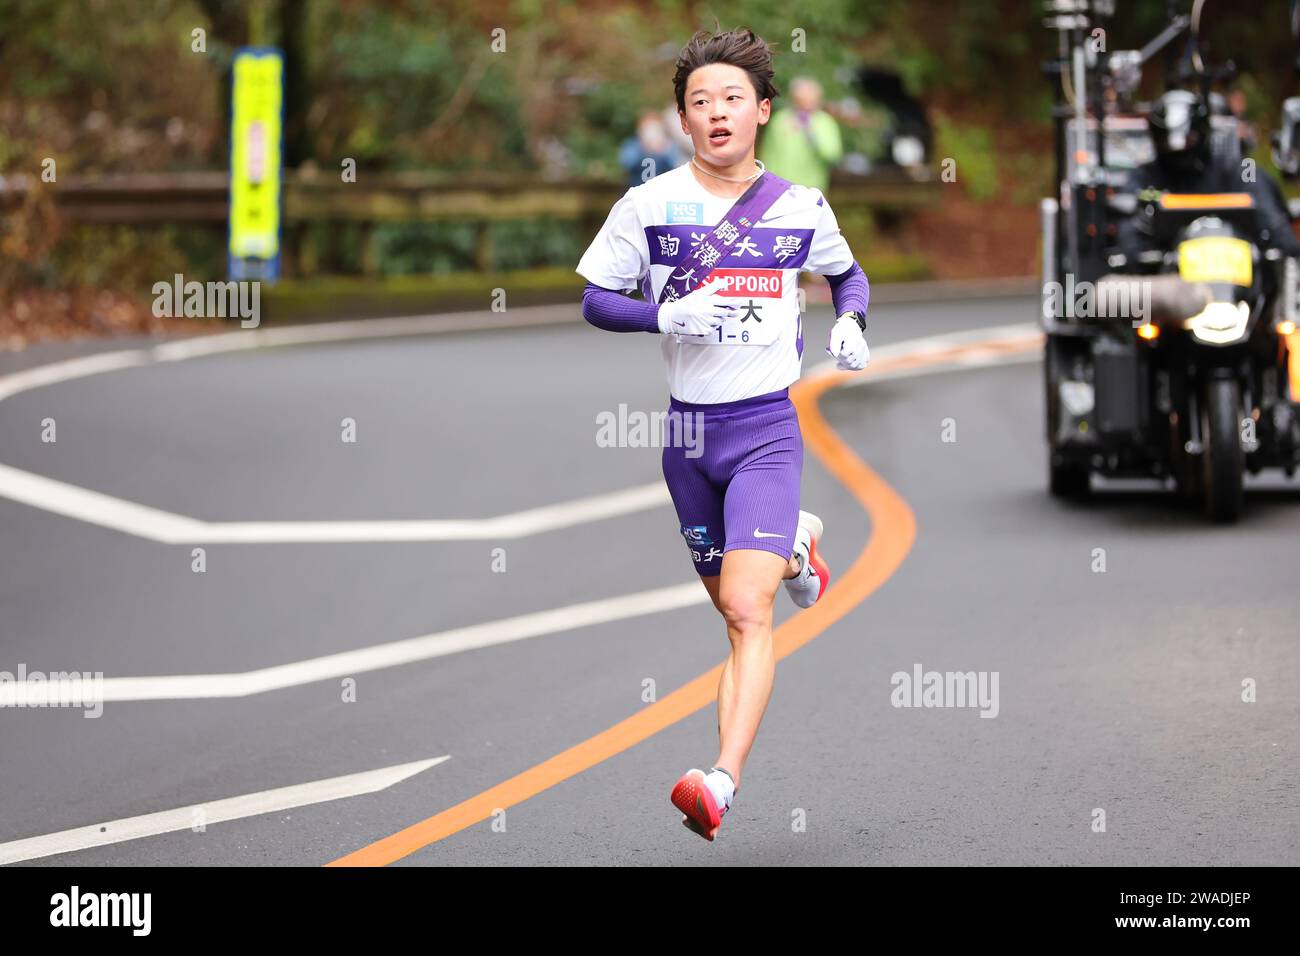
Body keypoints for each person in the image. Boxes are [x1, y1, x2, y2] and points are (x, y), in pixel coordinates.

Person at [574, 27, 871, 841]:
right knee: (732, 613)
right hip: (688, 443)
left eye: (732, 98)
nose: (716, 113)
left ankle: (720, 782)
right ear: (681, 119)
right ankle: (798, 545)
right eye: (699, 102)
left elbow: (847, 273)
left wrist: (852, 320)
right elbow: (598, 298)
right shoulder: (650, 205)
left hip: (767, 429)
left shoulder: (802, 208)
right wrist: (665, 312)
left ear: (763, 111)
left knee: (748, 611)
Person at [1120, 88, 1300, 262]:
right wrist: (1134, 258)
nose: (1178, 151)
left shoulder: (1242, 168)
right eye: (1167, 143)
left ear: (1202, 132)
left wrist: (1291, 253)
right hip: (1172, 277)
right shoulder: (1143, 177)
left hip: (1240, 275)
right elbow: (1129, 219)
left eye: (1189, 139)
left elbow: (1268, 213)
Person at [758, 76, 843, 193]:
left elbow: (832, 155)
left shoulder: (825, 122)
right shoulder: (780, 119)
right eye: (800, 101)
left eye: (809, 101)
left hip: (811, 189)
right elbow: (768, 154)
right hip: (779, 188)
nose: (804, 106)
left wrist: (810, 132)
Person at [619, 110, 685, 187]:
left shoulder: (669, 145)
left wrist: (663, 149)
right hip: (636, 188)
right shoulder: (633, 144)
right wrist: (642, 149)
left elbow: (675, 164)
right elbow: (627, 164)